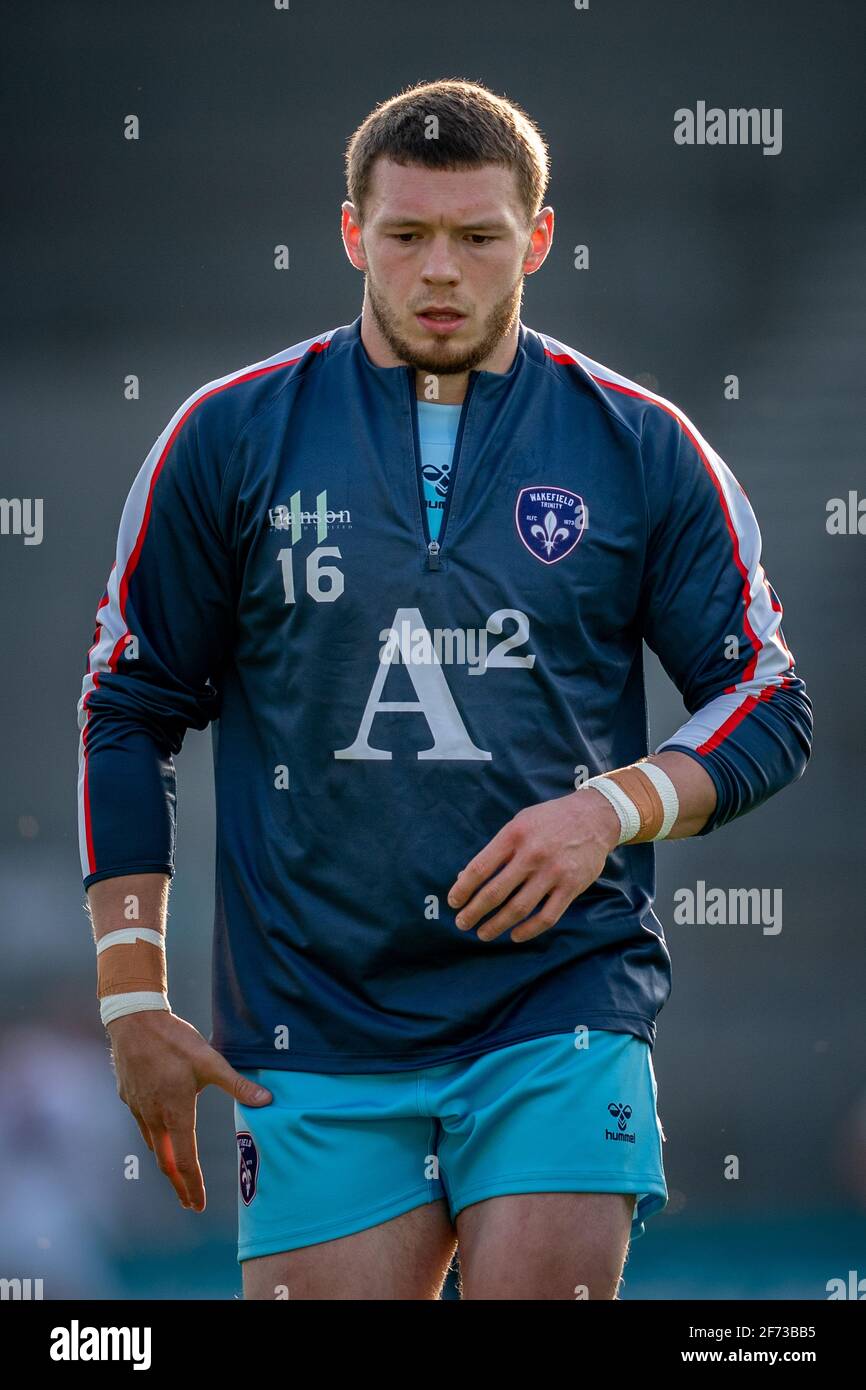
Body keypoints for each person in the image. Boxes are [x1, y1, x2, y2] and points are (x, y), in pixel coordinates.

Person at [78, 78, 813, 1300]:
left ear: (534, 236)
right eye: (406, 234)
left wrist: (608, 808)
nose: (439, 270)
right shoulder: (226, 437)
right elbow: (131, 708)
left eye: (476, 237)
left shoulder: (641, 444)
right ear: (352, 233)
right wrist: (130, 995)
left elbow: (764, 696)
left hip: (556, 1005)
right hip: (311, 1018)